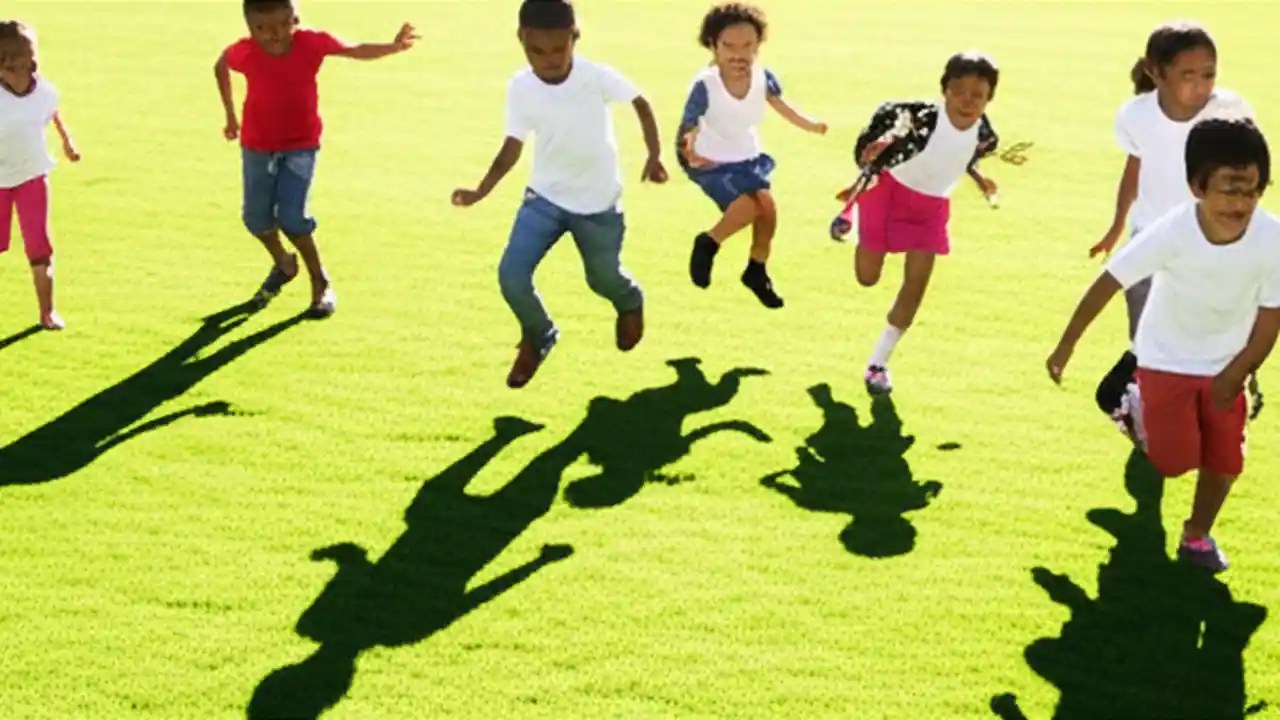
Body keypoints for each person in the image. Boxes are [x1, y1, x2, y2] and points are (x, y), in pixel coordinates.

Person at [1048, 117, 1280, 573]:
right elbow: (1109, 281)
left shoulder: (1272, 240)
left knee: (1225, 459)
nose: (1242, 203)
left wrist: (1238, 373)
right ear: (1197, 186)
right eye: (1229, 190)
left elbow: (1271, 316)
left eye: (1252, 190)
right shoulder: (1173, 231)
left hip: (1226, 364)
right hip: (1164, 360)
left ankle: (1197, 534)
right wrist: (1066, 346)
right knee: (1174, 462)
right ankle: (1132, 402)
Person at [451, 0, 667, 389]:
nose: (549, 60)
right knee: (511, 276)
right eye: (537, 51)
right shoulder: (520, 86)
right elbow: (512, 147)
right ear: (521, 40)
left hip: (598, 204)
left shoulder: (594, 76)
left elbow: (641, 103)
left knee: (602, 280)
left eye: (559, 49)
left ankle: (630, 301)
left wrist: (654, 156)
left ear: (575, 37)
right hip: (545, 198)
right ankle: (539, 334)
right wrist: (480, 190)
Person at [214, 0, 418, 317]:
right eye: (262, 29)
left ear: (296, 19)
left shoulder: (311, 43)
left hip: (300, 145)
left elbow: (355, 49)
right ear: (250, 28)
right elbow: (221, 65)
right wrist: (230, 116)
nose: (274, 35)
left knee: (293, 218)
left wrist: (393, 46)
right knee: (256, 219)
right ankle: (284, 262)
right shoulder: (244, 52)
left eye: (283, 24)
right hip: (257, 146)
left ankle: (320, 281)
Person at [836, 52, 1000, 395]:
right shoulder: (920, 119)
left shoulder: (985, 134)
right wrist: (872, 154)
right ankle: (856, 215)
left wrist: (979, 178)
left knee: (915, 287)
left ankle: (878, 364)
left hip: (931, 207)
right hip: (888, 193)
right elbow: (885, 141)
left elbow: (962, 154)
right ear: (945, 90)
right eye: (960, 91)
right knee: (868, 277)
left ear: (989, 99)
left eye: (978, 95)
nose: (968, 101)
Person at [679, 2, 827, 309]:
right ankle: (708, 242)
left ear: (758, 45)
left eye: (748, 45)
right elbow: (688, 126)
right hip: (710, 160)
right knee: (747, 207)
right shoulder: (706, 85)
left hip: (746, 155)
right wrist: (688, 151)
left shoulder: (762, 77)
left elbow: (781, 105)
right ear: (713, 46)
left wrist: (810, 125)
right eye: (729, 46)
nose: (739, 54)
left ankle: (757, 269)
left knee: (768, 210)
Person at [0, 20, 81, 331]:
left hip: (33, 177)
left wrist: (67, 140)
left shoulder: (45, 90)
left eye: (26, 59)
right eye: (11, 63)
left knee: (39, 247)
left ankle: (47, 312)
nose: (21, 69)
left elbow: (52, 111)